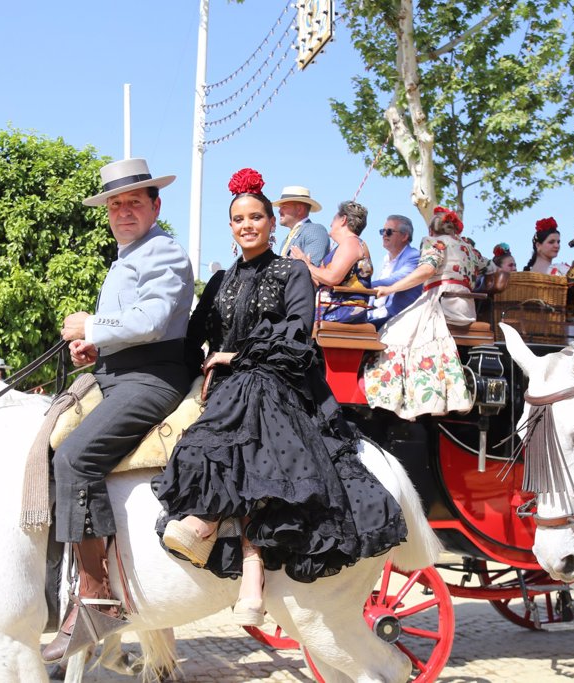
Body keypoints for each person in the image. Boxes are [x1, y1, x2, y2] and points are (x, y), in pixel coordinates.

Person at [154, 168, 406, 626]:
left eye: (255, 217)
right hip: (232, 383)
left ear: (272, 223)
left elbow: (295, 335)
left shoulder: (293, 272)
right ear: (230, 228)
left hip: (284, 376)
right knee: (233, 404)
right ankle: (245, 565)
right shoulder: (217, 283)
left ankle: (210, 525)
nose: (247, 225)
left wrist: (235, 355)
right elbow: (193, 341)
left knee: (254, 393)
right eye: (238, 219)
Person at [42, 157, 195, 664]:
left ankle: (96, 597)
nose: (124, 211)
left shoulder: (165, 251)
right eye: (115, 204)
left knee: (74, 460)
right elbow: (126, 325)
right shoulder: (127, 255)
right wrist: (96, 349)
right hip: (118, 372)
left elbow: (152, 320)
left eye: (134, 201)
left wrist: (91, 326)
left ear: (156, 205)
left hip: (153, 377)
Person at [363, 207, 494, 419]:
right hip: (468, 308)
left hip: (441, 303)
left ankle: (394, 397)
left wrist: (389, 289)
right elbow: (495, 269)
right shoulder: (469, 248)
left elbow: (426, 271)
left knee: (391, 332)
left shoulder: (434, 243)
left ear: (432, 229)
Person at [291, 201, 373, 323]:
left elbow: (332, 278)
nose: (330, 224)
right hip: (334, 306)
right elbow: (322, 282)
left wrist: (305, 264)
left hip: (343, 309)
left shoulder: (351, 243)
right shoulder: (347, 245)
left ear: (343, 220)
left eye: (334, 219)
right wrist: (306, 267)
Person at [369, 215, 422, 328]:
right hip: (374, 316)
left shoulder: (414, 257)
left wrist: (363, 285)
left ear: (404, 236)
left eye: (389, 231)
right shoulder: (383, 261)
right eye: (382, 231)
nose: (384, 235)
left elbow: (395, 280)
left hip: (398, 321)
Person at [271, 185, 330, 264]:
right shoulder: (285, 241)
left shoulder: (315, 230)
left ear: (300, 209)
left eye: (283, 207)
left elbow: (312, 269)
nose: (279, 211)